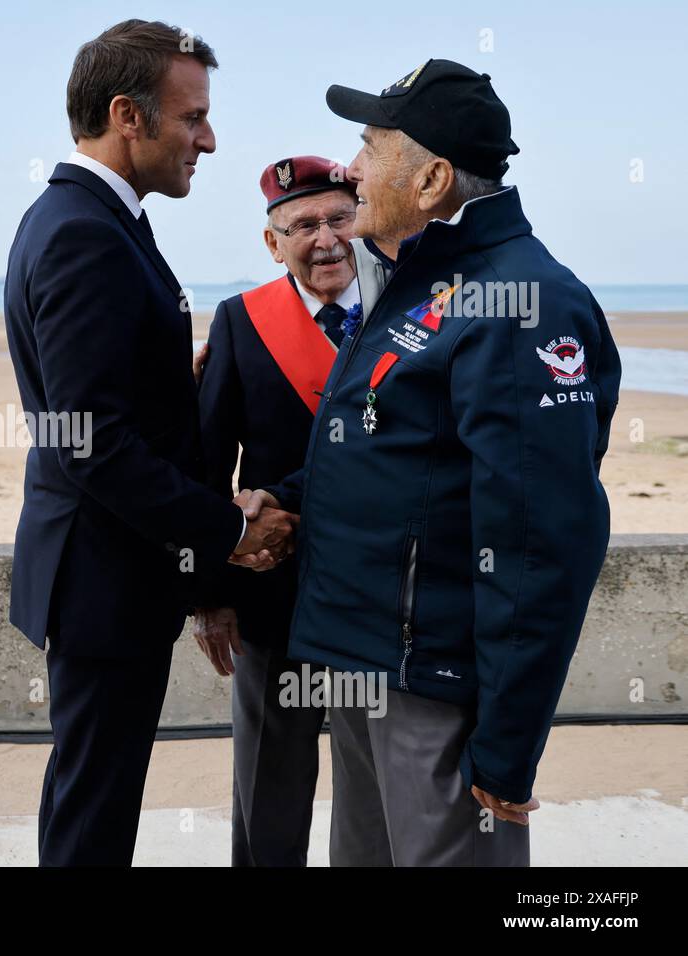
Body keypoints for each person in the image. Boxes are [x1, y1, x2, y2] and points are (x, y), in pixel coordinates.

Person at [246, 59, 622, 866]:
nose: (351, 167)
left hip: (435, 691)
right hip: (360, 664)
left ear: (432, 179)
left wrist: (509, 740)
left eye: (372, 143)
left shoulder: (523, 300)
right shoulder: (426, 281)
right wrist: (278, 498)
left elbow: (543, 538)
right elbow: (390, 454)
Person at [2, 19, 295, 866]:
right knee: (93, 818)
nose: (208, 139)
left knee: (95, 800)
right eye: (192, 117)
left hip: (112, 574)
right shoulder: (83, 233)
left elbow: (107, 407)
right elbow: (92, 444)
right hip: (103, 581)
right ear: (128, 115)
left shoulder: (91, 217)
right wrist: (229, 531)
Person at [192, 156, 359, 865]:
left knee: (381, 781)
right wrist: (208, 594)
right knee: (271, 782)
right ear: (272, 243)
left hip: (382, 591)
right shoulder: (240, 321)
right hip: (271, 588)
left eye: (339, 218)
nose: (325, 239)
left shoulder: (412, 309)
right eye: (302, 226)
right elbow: (206, 465)